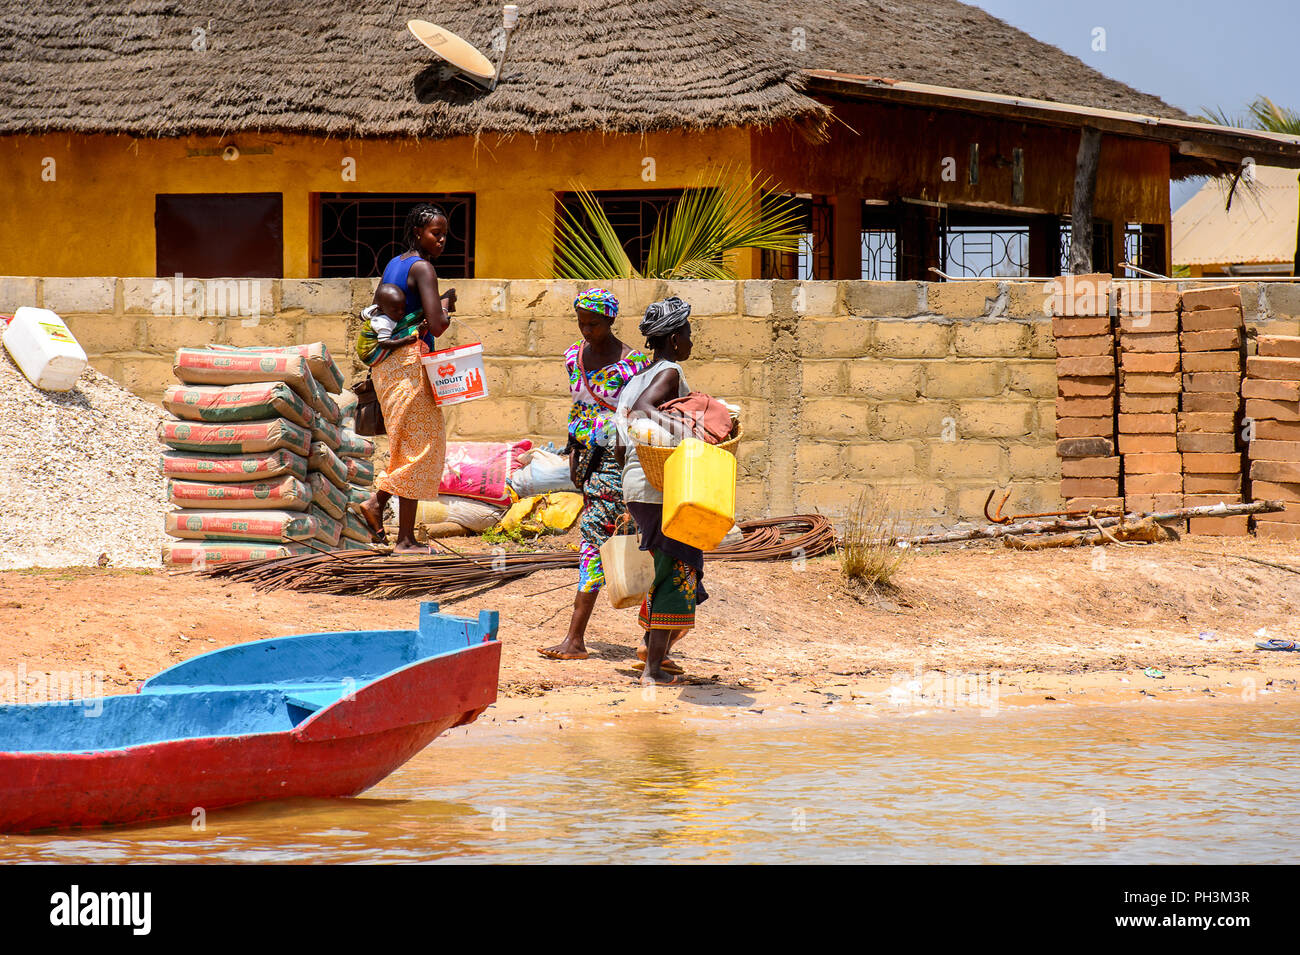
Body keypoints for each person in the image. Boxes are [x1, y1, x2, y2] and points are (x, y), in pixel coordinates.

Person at [538, 288, 651, 660]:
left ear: (611, 321)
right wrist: (572, 450)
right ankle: (652, 640)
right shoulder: (573, 356)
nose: (586, 330)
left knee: (607, 538)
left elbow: (639, 418)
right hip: (587, 461)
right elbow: (577, 409)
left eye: (594, 324)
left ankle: (578, 639)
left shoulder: (635, 365)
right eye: (582, 323)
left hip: (617, 462)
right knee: (621, 538)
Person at [352, 203, 456, 553]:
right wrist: (445, 308)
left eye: (444, 234)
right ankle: (391, 522)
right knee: (422, 447)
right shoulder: (424, 268)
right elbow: (438, 327)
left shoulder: (395, 264)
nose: (442, 240)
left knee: (408, 446)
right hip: (410, 363)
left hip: (387, 367)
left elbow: (391, 313)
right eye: (435, 233)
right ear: (417, 232)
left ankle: (391, 521)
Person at [616, 297, 707, 685]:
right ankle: (652, 670)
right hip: (659, 488)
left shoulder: (636, 377)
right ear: (672, 338)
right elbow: (641, 409)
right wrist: (687, 434)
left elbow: (622, 442)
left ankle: (654, 653)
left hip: (638, 487)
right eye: (686, 332)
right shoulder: (669, 371)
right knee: (676, 569)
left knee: (666, 567)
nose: (690, 338)